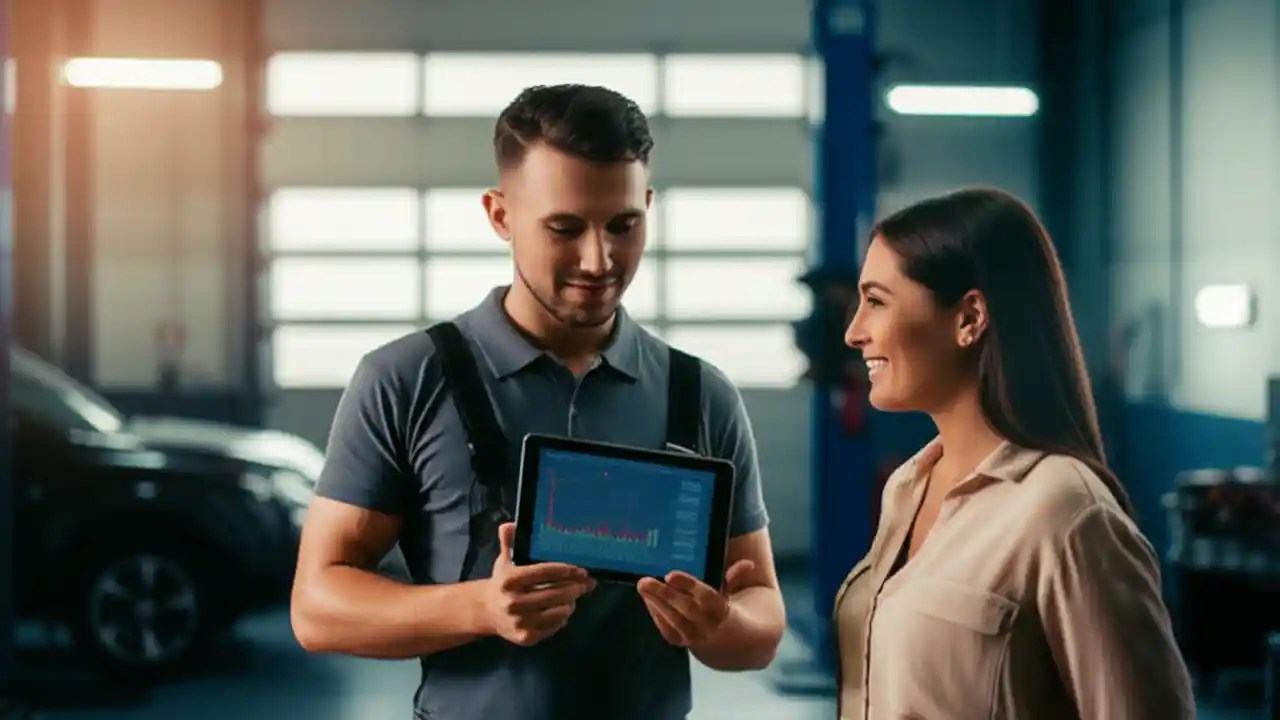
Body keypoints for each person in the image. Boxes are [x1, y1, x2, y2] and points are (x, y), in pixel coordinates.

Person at [289, 84, 786, 720]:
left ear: (649, 208)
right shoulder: (406, 378)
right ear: (500, 215)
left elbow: (762, 617)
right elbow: (317, 609)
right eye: (565, 227)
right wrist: (480, 607)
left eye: (624, 225)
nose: (599, 258)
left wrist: (720, 628)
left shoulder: (699, 393)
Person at [833, 188, 1195, 719]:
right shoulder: (908, 486)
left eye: (877, 301)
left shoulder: (1065, 513)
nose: (853, 332)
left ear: (968, 319)